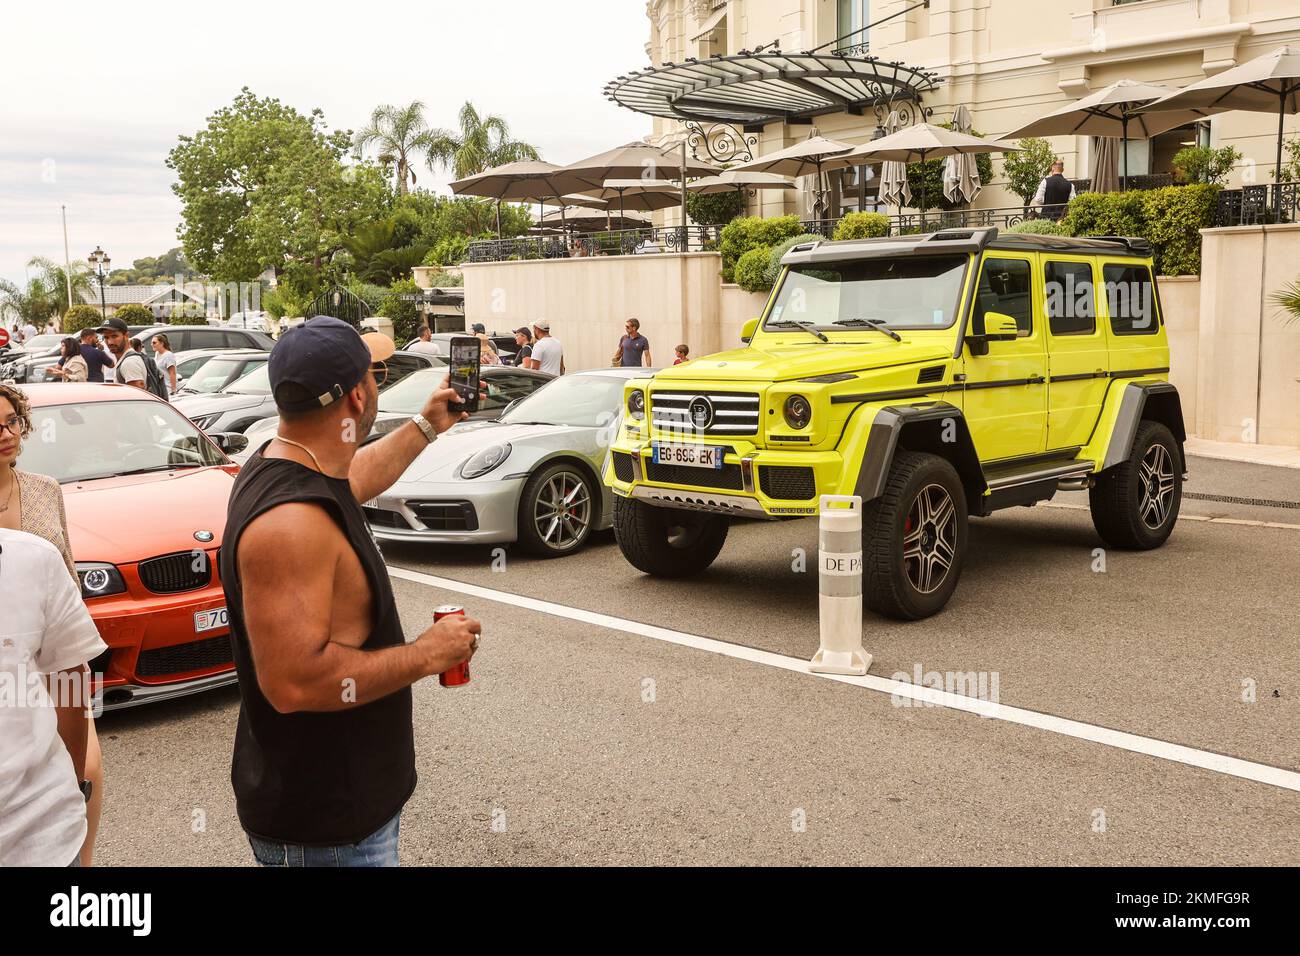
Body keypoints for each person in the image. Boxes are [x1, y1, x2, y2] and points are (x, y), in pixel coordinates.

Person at [219, 316, 481, 867]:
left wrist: (428, 426)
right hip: (325, 831)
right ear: (358, 399)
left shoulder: (282, 460)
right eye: (375, 374)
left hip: (342, 812)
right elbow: (293, 682)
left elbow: (351, 477)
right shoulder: (290, 525)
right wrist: (427, 654)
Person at [0, 383, 105, 866]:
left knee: (88, 765)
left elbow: (65, 563)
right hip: (14, 653)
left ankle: (79, 859)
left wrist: (76, 638)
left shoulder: (44, 488)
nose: (5, 434)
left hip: (56, 642)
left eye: (11, 422)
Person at [99, 318, 146, 389]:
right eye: (106, 337)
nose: (110, 342)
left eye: (114, 336)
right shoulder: (125, 359)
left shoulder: (129, 362)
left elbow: (136, 397)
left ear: (126, 336)